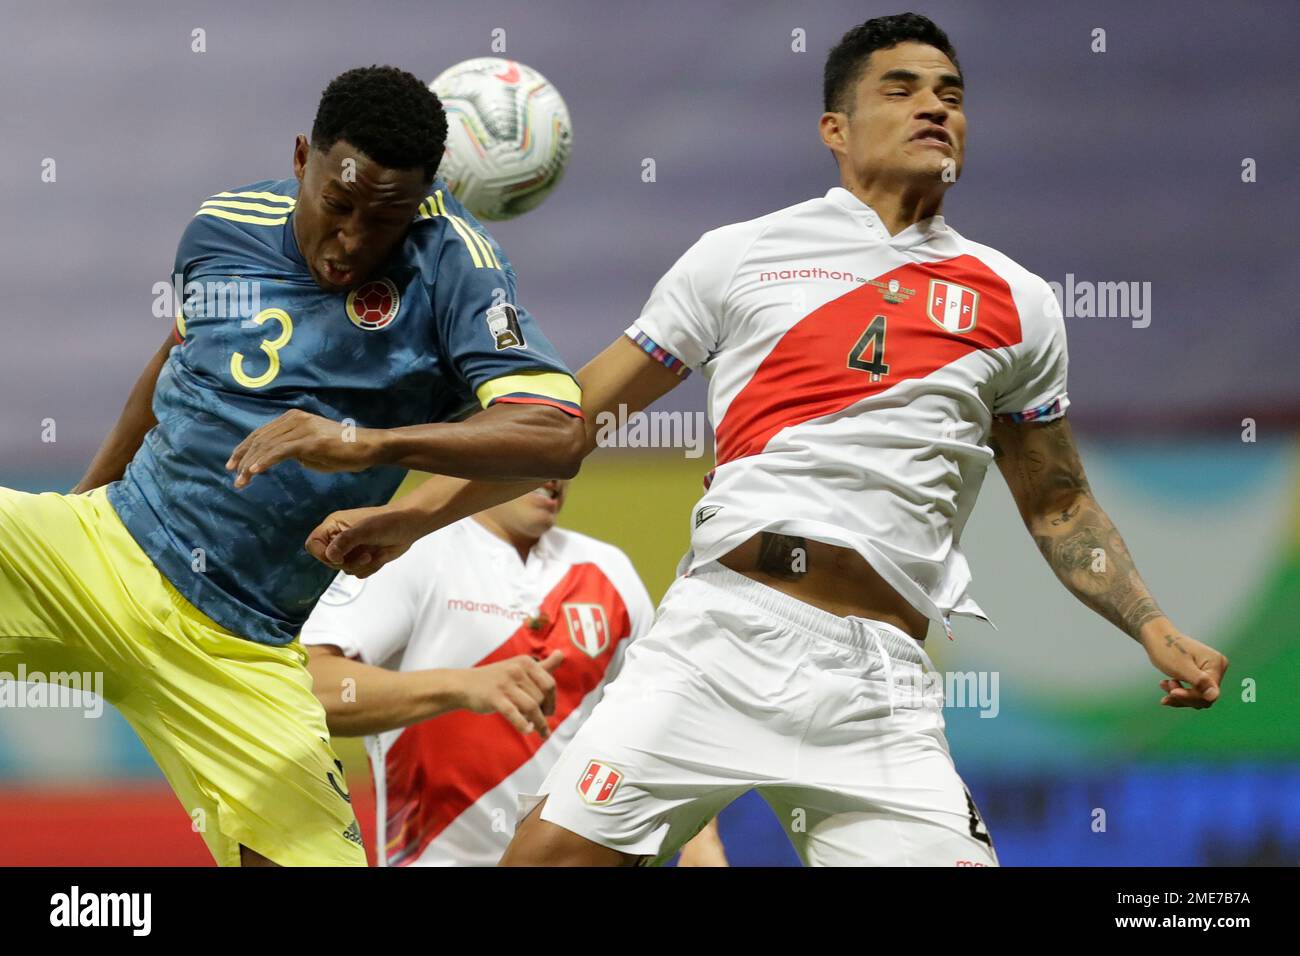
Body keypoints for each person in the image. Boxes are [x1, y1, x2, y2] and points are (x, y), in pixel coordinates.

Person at [298, 14, 1230, 867]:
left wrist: (1151, 626)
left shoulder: (1018, 302)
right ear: (835, 129)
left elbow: (1058, 500)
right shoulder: (739, 257)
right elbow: (568, 424)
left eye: (950, 93)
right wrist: (411, 517)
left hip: (882, 683)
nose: (934, 106)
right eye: (900, 89)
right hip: (725, 635)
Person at [0, 65, 584, 867]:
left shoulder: (457, 271)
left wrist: (366, 446)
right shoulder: (223, 227)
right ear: (304, 157)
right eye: (337, 207)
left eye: (383, 220)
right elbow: (173, 362)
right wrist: (82, 507)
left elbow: (555, 432)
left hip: (243, 647)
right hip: (107, 546)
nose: (352, 241)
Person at [300, 480, 727, 866]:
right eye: (534, 451)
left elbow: (656, 721)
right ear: (486, 450)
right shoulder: (412, 551)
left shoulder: (610, 571)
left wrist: (700, 838)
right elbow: (311, 689)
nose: (554, 472)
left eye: (565, 455)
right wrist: (459, 685)